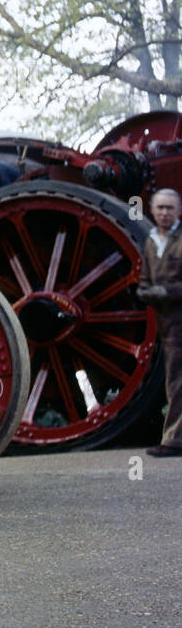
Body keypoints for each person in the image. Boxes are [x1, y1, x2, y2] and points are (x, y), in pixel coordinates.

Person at [137, 187, 182, 458]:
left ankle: (174, 440)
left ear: (178, 211)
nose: (165, 213)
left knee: (177, 379)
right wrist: (145, 291)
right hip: (165, 321)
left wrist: (166, 291)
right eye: (160, 208)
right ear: (152, 211)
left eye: (170, 208)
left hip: (179, 318)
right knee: (174, 378)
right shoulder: (152, 241)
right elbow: (145, 277)